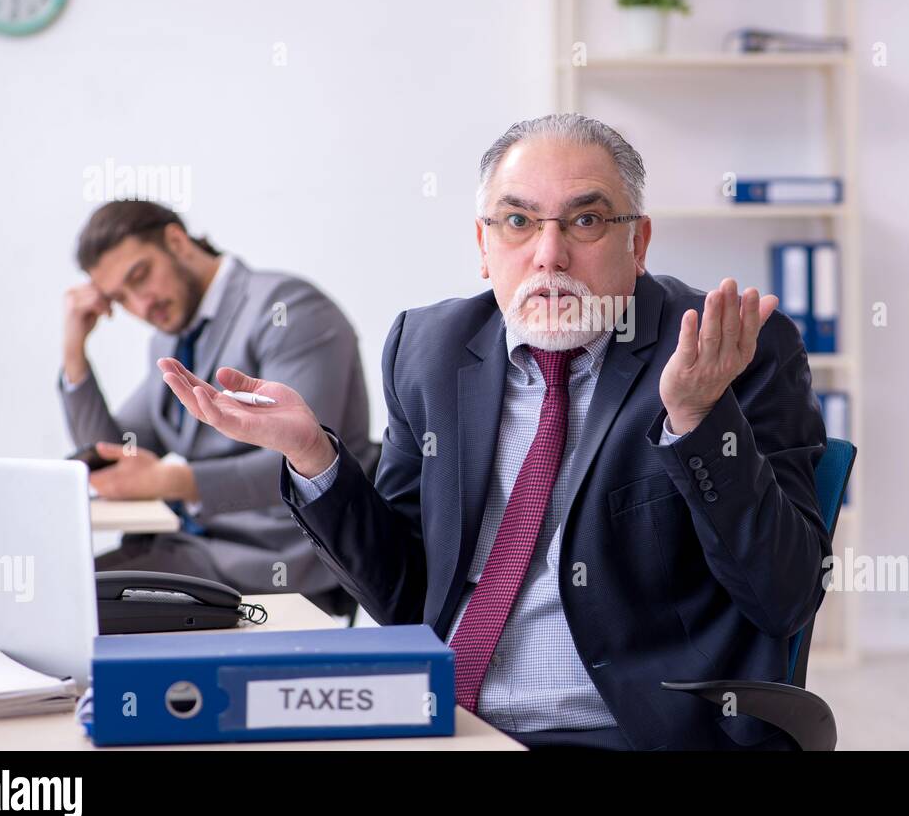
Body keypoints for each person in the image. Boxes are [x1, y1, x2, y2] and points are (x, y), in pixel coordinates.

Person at [159, 114, 830, 749]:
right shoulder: (429, 347)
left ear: (639, 242)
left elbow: (784, 594)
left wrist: (698, 422)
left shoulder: (728, 348)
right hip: (443, 716)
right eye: (517, 221)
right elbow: (404, 594)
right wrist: (312, 454)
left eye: (587, 220)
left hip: (627, 729)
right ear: (483, 245)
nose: (549, 254)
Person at [61, 199, 378, 615]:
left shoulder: (288, 310)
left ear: (176, 241)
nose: (141, 306)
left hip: (277, 554)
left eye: (140, 277)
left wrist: (172, 482)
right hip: (195, 546)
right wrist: (74, 352)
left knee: (78, 602)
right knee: (70, 590)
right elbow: (112, 451)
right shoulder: (170, 339)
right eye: (121, 299)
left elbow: (308, 461)